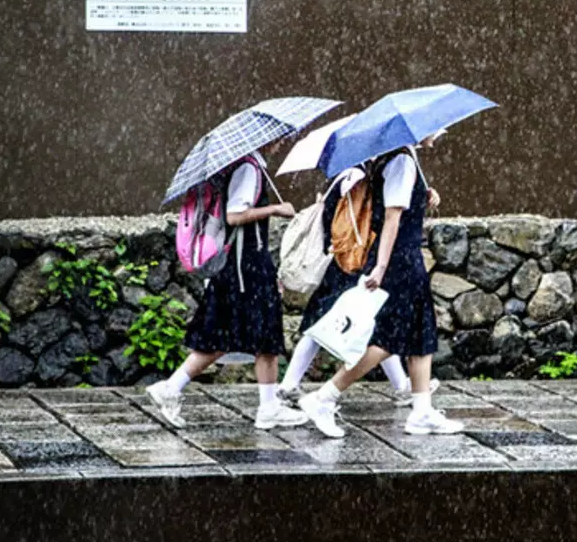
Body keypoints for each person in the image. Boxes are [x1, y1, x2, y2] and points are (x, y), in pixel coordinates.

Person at [296, 133, 459, 438]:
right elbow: (392, 219)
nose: (440, 133)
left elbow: (393, 205)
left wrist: (422, 194)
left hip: (406, 259)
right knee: (385, 340)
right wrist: (381, 267)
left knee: (420, 332)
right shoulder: (401, 160)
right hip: (400, 262)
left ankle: (422, 411)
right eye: (437, 130)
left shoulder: (394, 157)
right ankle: (324, 396)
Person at [147, 149, 310, 430]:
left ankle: (171, 388)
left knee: (221, 337)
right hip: (246, 267)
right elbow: (234, 215)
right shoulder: (248, 169)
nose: (280, 143)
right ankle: (268, 408)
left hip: (238, 264)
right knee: (264, 335)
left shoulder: (242, 167)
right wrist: (275, 209)